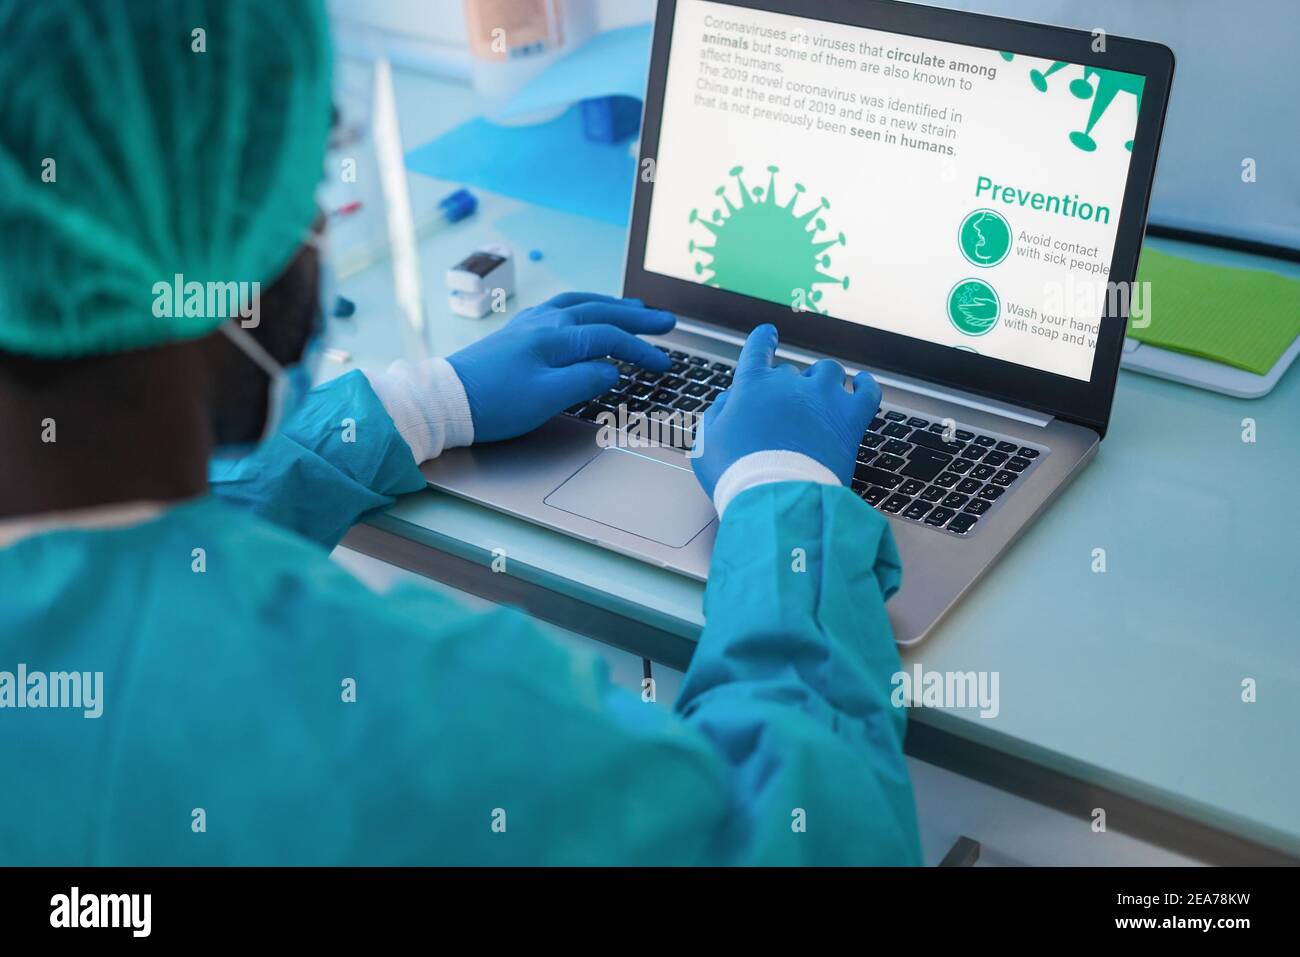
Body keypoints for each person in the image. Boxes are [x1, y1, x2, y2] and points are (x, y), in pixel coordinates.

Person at [0, 0, 919, 865]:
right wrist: (783, 494)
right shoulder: (421, 716)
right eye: (306, 185)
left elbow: (112, 577)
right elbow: (813, 830)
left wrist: (427, 401)